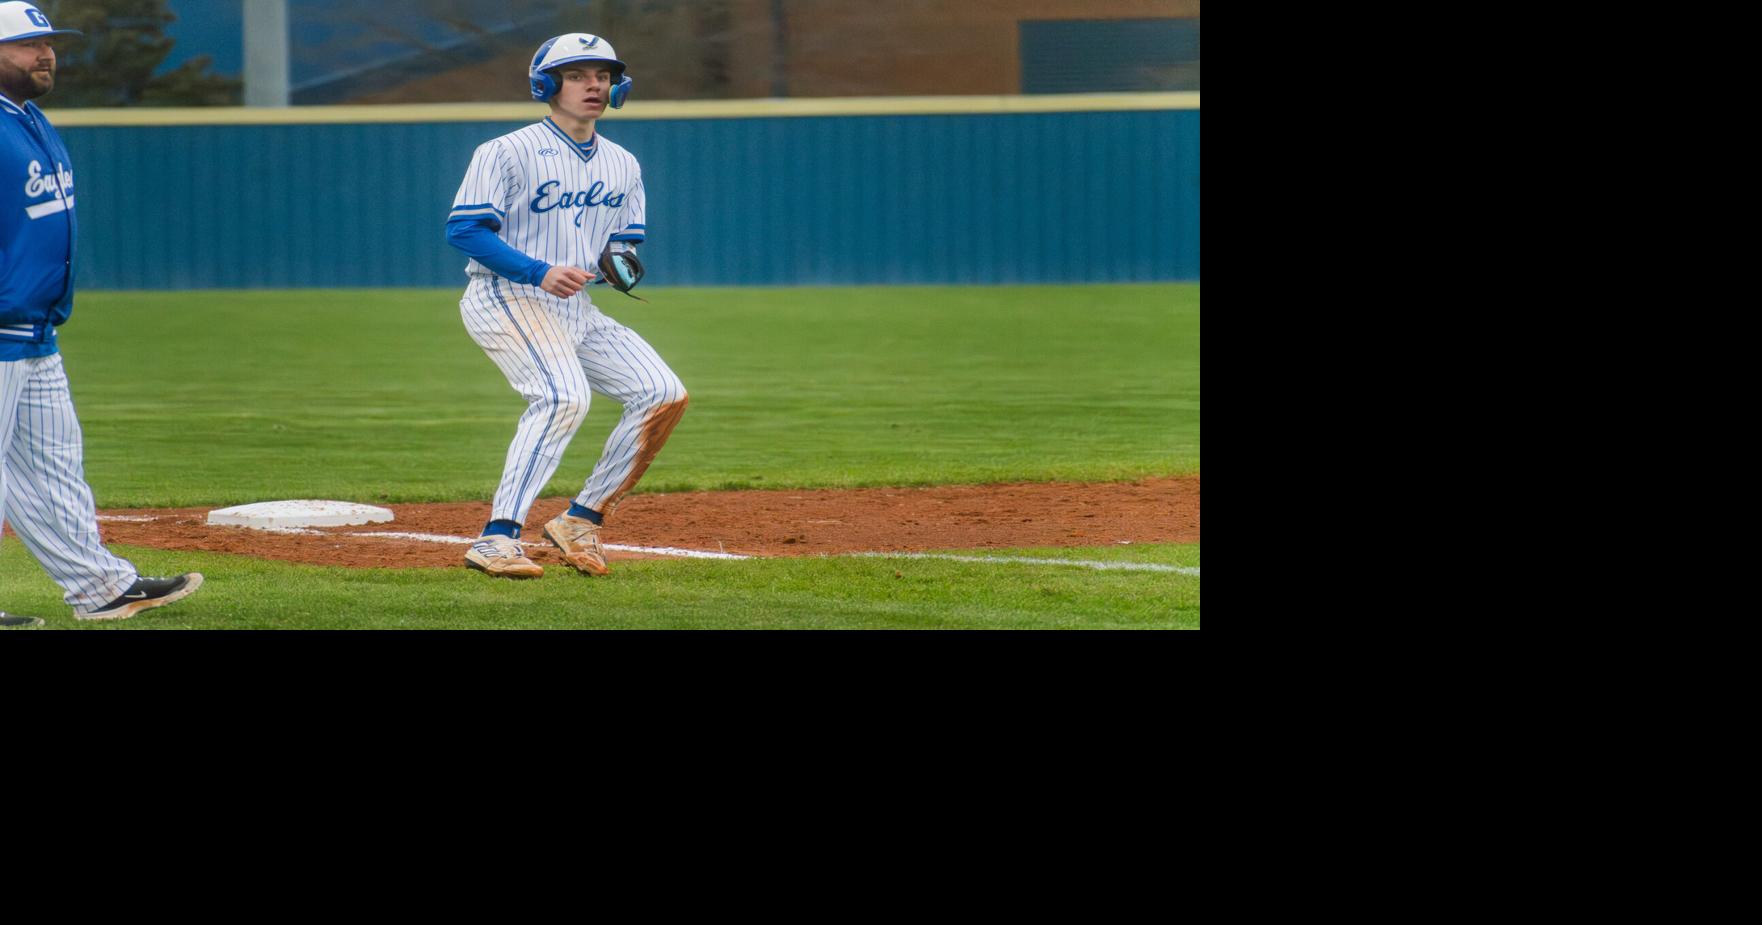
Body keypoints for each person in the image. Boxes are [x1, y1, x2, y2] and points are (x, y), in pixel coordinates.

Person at [446, 32, 687, 579]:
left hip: (576, 308)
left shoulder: (623, 163)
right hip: (507, 296)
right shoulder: (505, 151)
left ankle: (581, 520)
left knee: (662, 393)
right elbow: (464, 231)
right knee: (562, 397)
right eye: (577, 75)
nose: (593, 85)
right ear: (546, 85)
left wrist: (619, 263)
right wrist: (539, 270)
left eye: (603, 76)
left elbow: (623, 242)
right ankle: (496, 538)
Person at [0, 2, 202, 622]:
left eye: (49, 43)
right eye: (27, 44)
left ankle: (98, 587)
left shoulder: (29, 119)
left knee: (54, 470)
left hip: (36, 331)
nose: (45, 54)